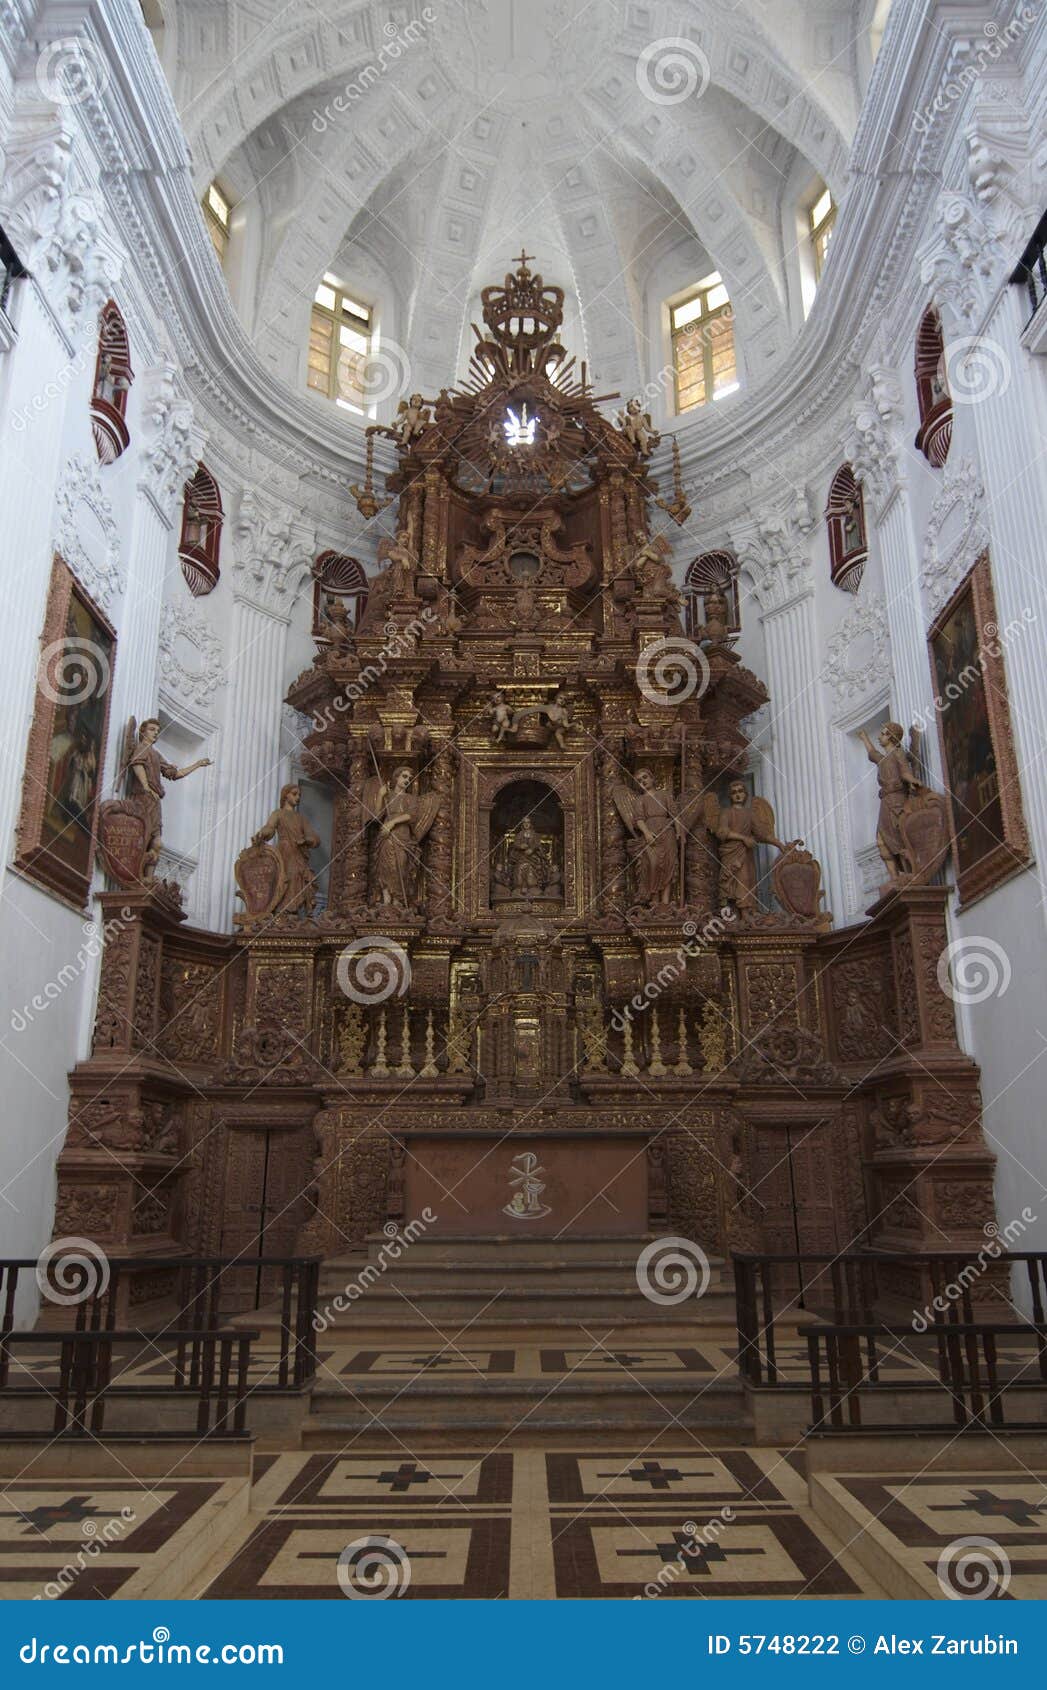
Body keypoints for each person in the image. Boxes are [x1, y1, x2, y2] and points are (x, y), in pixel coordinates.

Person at [252, 784, 320, 916]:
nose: (298, 797)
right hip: (284, 853)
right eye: (294, 794)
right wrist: (262, 834)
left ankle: (291, 912)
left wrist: (306, 840)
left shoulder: (301, 818)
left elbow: (314, 837)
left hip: (298, 854)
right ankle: (281, 911)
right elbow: (269, 828)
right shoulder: (278, 814)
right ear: (285, 795)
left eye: (299, 795)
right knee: (284, 878)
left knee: (298, 879)